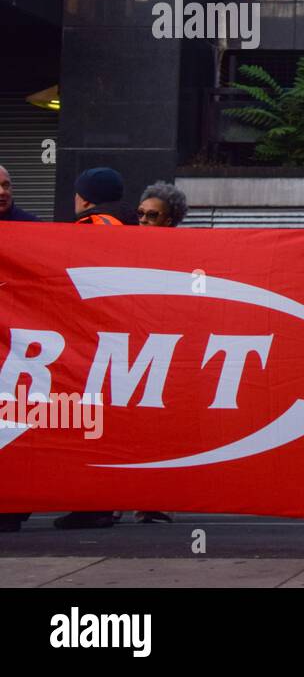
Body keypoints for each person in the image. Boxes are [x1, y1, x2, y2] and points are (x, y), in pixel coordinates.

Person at [54, 166, 128, 530]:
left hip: (84, 347)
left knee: (82, 427)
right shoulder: (132, 229)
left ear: (83, 197)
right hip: (120, 346)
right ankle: (103, 503)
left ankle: (89, 506)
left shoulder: (83, 230)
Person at [132, 182, 187, 524]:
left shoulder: (183, 251)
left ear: (170, 220)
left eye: (152, 215)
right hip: (131, 345)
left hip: (168, 348)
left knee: (160, 426)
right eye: (140, 214)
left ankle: (154, 498)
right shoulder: (125, 245)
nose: (143, 221)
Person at [0, 165, 40, 530]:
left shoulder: (32, 230)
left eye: (7, 184)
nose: (2, 191)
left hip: (17, 350)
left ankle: (12, 507)